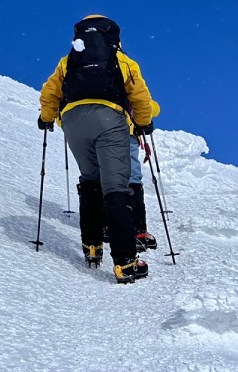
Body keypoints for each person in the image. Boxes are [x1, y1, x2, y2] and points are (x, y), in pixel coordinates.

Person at [38, 15, 154, 283]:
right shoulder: (123, 61)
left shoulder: (68, 61)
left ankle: (92, 247)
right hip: (109, 119)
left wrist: (46, 117)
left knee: (90, 181)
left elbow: (50, 92)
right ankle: (126, 262)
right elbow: (140, 96)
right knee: (115, 187)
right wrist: (144, 122)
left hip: (73, 121)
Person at [129, 99, 161, 252]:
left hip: (97, 130)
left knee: (105, 176)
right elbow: (152, 108)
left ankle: (105, 224)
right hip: (126, 132)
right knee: (132, 178)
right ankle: (138, 229)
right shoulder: (129, 86)